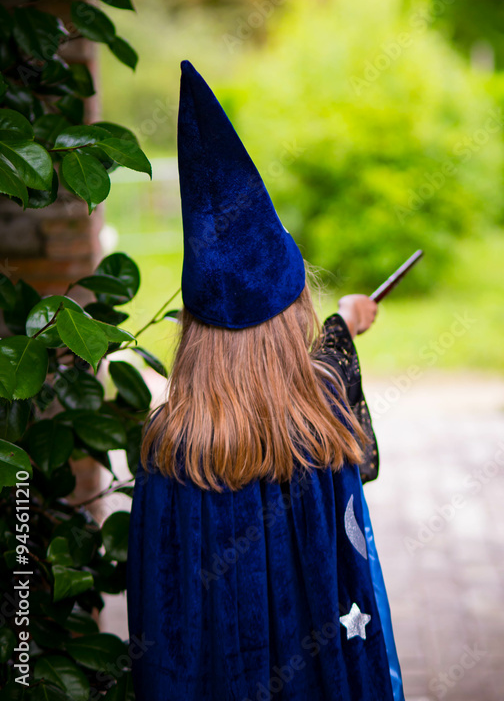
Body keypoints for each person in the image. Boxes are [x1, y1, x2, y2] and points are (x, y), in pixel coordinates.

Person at [126, 61, 404, 701]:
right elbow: (324, 375)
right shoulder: (321, 431)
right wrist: (345, 322)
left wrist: (347, 320)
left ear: (192, 333)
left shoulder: (167, 450)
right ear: (293, 322)